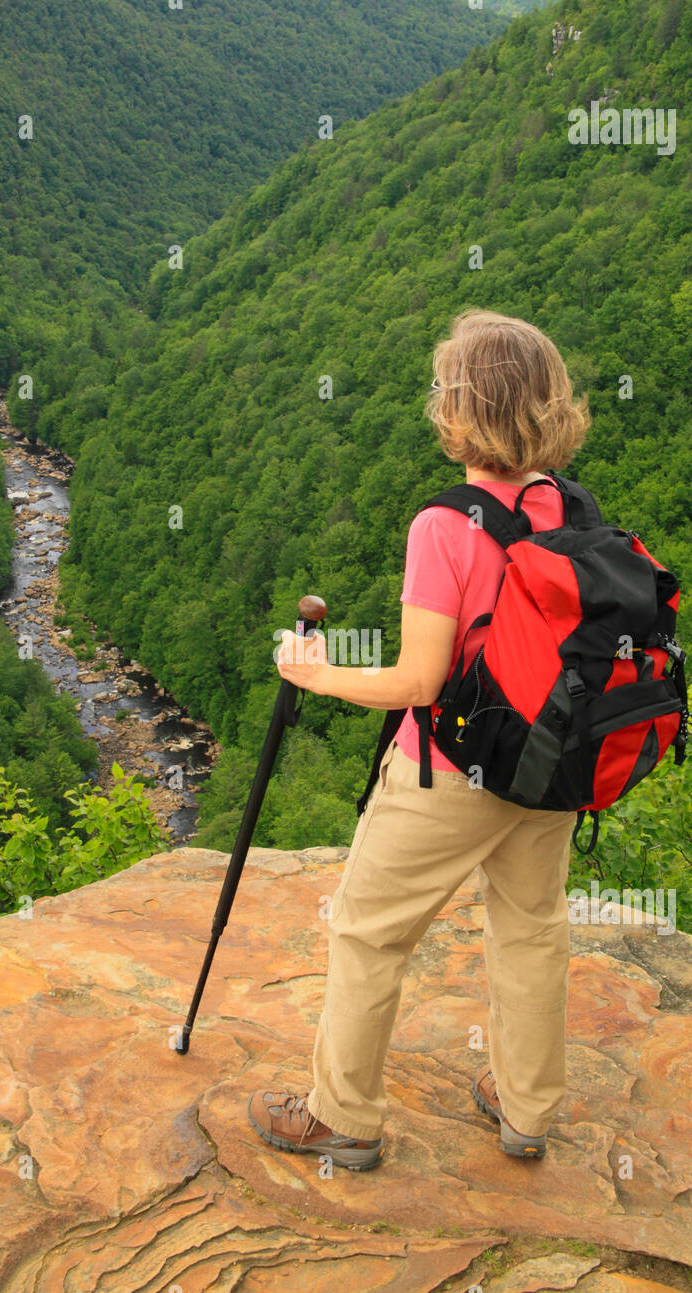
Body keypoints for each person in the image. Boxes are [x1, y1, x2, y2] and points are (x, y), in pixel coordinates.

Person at [247, 308, 591, 1169]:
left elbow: (419, 683)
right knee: (532, 929)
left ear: (460, 408)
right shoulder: (567, 505)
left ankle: (345, 1119)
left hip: (451, 771)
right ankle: (526, 1110)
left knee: (367, 932)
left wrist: (314, 675)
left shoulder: (443, 526)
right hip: (551, 765)